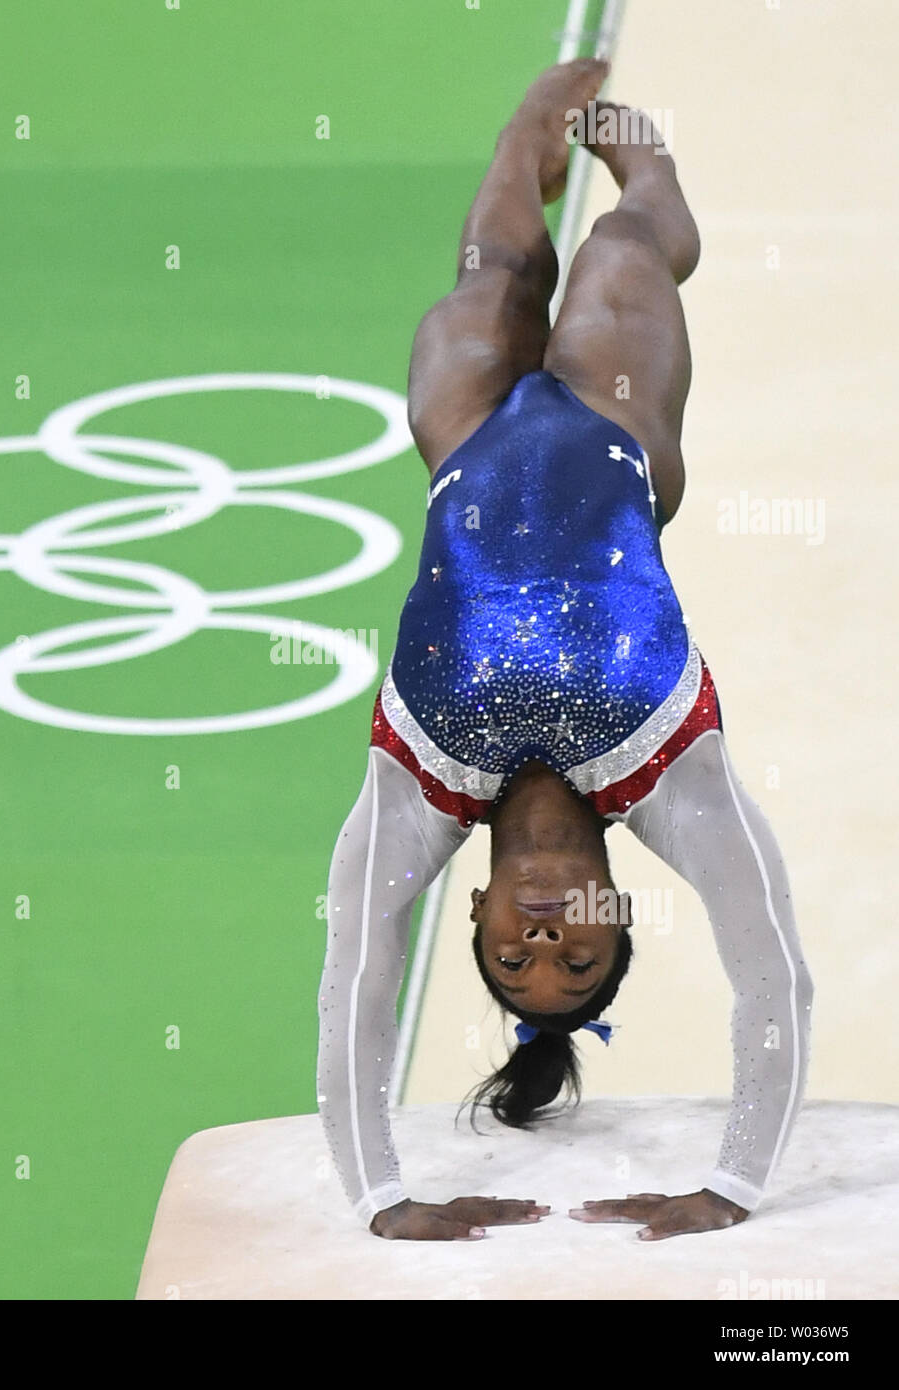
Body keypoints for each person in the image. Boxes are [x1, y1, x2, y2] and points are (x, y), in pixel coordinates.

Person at [316, 58, 813, 1242]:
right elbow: (773, 976)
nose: (544, 943)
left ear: (477, 909)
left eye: (515, 958)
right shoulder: (670, 776)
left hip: (465, 437)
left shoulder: (416, 787)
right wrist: (729, 1186)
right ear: (615, 909)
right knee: (624, 251)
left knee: (494, 267)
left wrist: (381, 1200)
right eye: (578, 962)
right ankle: (647, 166)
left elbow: (355, 990)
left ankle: (520, 143)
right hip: (614, 422)